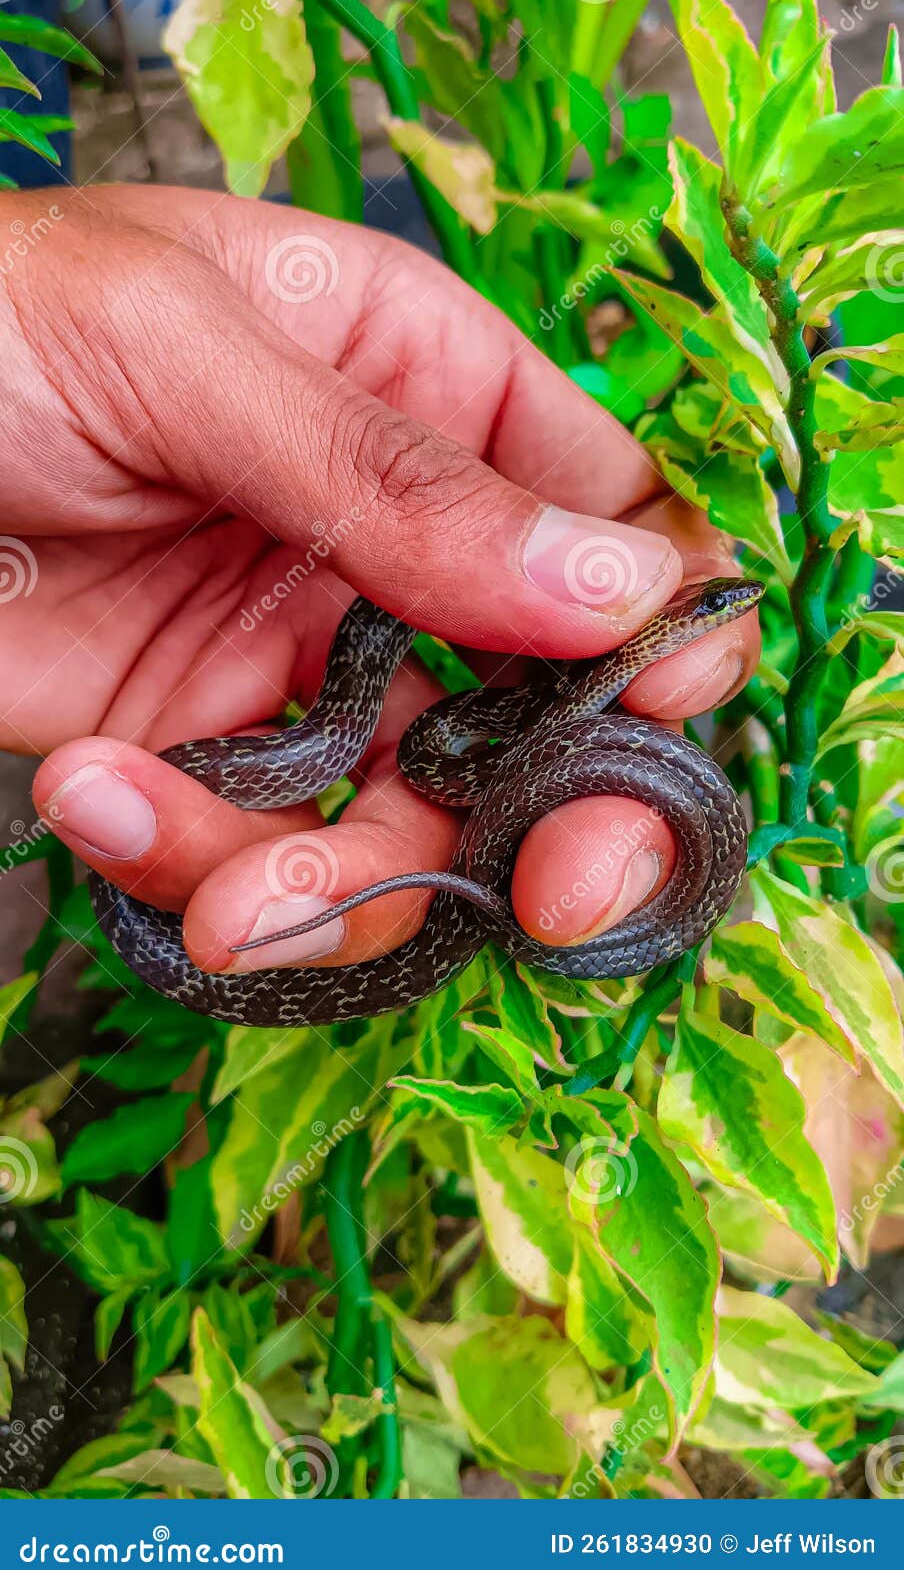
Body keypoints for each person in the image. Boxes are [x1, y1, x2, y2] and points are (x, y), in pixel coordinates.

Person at [2, 185, 758, 979]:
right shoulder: (544, 683)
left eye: (713, 605)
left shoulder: (549, 707)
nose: (726, 603)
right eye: (710, 605)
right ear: (676, 619)